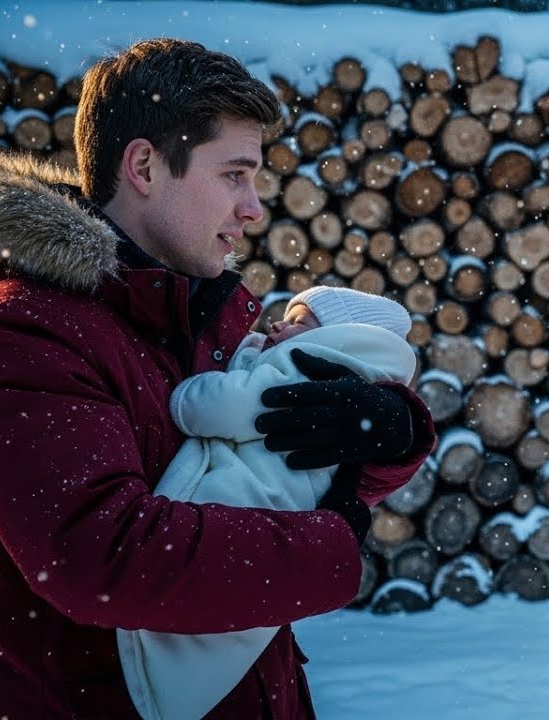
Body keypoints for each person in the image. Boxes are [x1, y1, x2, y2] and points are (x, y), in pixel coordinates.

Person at [0, 38, 434, 717]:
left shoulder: (181, 313)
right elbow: (105, 557)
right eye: (234, 175)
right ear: (144, 165)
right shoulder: (20, 332)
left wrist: (386, 431)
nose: (254, 208)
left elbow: (276, 469)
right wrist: (333, 546)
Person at [118, 286, 418, 720]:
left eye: (298, 321)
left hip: (247, 524)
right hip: (253, 576)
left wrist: (186, 397)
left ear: (336, 334)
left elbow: (224, 405)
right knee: (216, 641)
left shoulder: (306, 364)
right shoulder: (339, 368)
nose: (278, 324)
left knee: (200, 641)